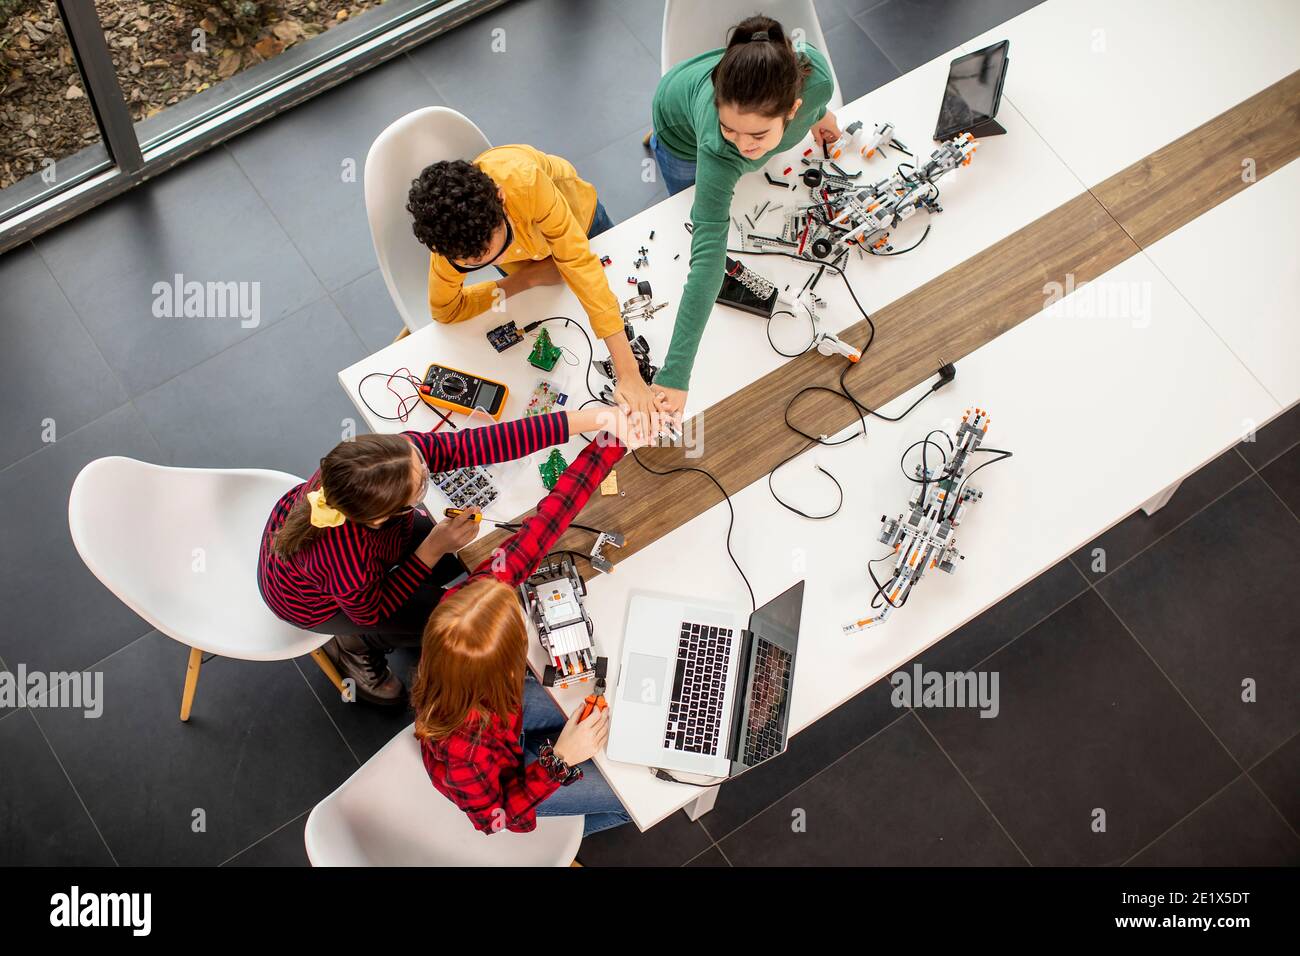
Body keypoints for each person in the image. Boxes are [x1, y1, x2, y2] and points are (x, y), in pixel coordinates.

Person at [256, 406, 622, 706]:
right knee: (439, 617)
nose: (427, 471)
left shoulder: (390, 462)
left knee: (449, 561)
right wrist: (430, 550)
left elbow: (472, 445)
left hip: (365, 562)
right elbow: (371, 610)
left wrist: (595, 420)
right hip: (317, 605)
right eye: (421, 489)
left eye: (422, 465)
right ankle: (356, 650)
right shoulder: (344, 558)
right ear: (380, 517)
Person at [411, 421, 644, 836]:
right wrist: (559, 762)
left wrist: (614, 438)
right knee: (635, 794)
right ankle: (560, 841)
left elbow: (543, 528)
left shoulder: (466, 604)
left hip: (502, 728)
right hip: (505, 797)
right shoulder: (462, 753)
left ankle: (554, 762)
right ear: (503, 667)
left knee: (610, 708)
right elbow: (497, 819)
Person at [647, 15, 839, 420]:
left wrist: (823, 118)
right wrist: (675, 374)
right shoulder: (718, 149)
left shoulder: (816, 77)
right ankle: (659, 137)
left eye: (757, 136)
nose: (742, 147)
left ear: (793, 110)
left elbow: (819, 101)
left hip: (705, 103)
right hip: (680, 126)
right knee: (683, 186)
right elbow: (706, 262)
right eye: (731, 128)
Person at [407, 144, 667, 437]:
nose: (500, 262)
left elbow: (578, 263)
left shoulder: (525, 180)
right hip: (530, 268)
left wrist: (629, 372)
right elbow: (446, 310)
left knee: (613, 271)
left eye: (500, 247)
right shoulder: (451, 245)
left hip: (580, 224)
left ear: (501, 200)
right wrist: (527, 278)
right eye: (477, 264)